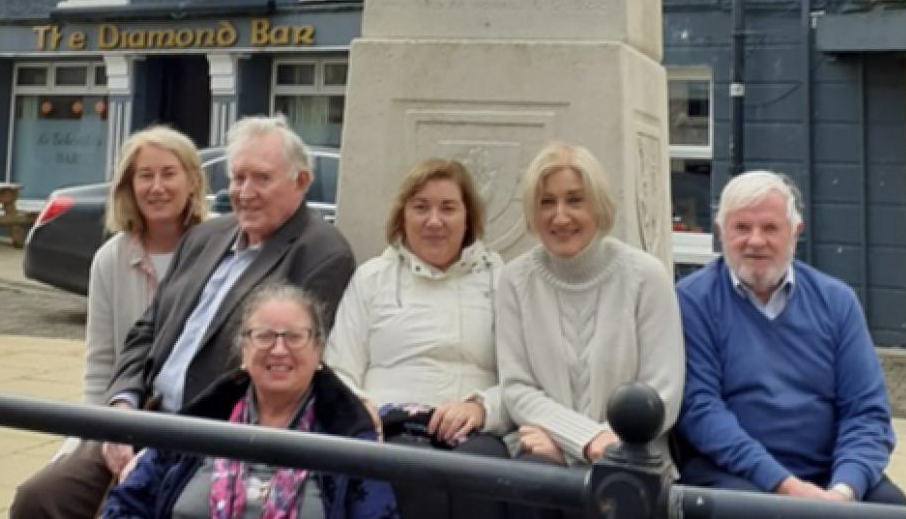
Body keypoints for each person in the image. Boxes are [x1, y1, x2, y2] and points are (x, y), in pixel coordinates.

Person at [11, 115, 357, 518]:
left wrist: (168, 442)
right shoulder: (206, 237)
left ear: (301, 182)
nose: (245, 192)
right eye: (238, 177)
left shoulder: (320, 253)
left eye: (261, 178)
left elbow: (277, 364)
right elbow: (146, 332)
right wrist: (122, 405)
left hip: (210, 433)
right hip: (143, 416)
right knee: (40, 499)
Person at [675, 170, 906, 505]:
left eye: (770, 228)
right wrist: (785, 486)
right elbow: (701, 411)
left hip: (829, 474)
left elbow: (866, 412)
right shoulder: (692, 301)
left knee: (893, 511)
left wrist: (844, 490)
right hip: (732, 475)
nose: (755, 240)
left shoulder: (836, 301)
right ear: (720, 231)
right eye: (741, 227)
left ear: (795, 232)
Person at [495, 141, 684, 519]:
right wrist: (586, 442)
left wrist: (597, 447)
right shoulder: (514, 280)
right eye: (546, 203)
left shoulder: (646, 276)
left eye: (574, 200)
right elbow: (517, 388)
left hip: (633, 462)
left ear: (598, 205)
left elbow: (663, 391)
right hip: (542, 458)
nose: (560, 216)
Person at [101, 284, 400, 519]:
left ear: (318, 351)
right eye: (264, 336)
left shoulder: (348, 434)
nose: (279, 350)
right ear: (244, 351)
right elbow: (126, 504)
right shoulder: (199, 422)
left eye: (295, 337)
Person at [324, 158, 509, 519]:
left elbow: (523, 377)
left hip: (473, 432)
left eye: (448, 208)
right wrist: (361, 409)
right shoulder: (372, 279)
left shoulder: (500, 280)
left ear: (468, 217)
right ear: (402, 217)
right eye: (420, 207)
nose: (434, 221)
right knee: (409, 472)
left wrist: (482, 407)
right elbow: (339, 368)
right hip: (389, 425)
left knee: (482, 475)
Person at [45, 126, 209, 471]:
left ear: (193, 181)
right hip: (123, 417)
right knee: (41, 494)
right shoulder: (110, 259)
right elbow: (100, 363)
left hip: (195, 424)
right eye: (145, 176)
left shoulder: (219, 251)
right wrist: (88, 435)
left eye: (169, 174)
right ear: (129, 187)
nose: (157, 187)